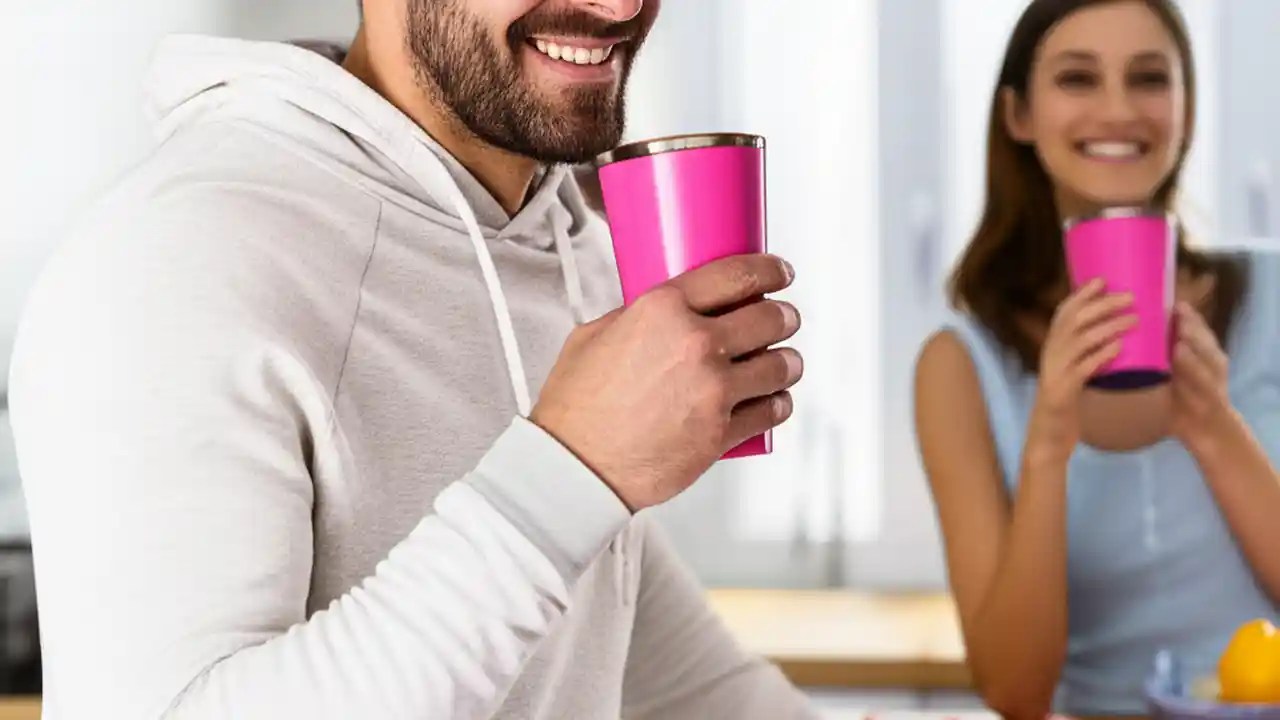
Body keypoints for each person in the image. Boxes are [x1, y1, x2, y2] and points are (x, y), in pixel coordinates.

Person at [8, 1, 814, 718]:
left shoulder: (566, 248)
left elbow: (618, 634)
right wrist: (572, 470)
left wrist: (589, 482)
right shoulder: (175, 260)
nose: (622, 5)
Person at [914, 0, 1280, 716]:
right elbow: (1015, 692)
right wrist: (1048, 443)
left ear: (1185, 108)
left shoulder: (1272, 295)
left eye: (1149, 78)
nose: (1119, 110)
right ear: (1018, 114)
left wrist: (1213, 429)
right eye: (1078, 79)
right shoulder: (959, 368)